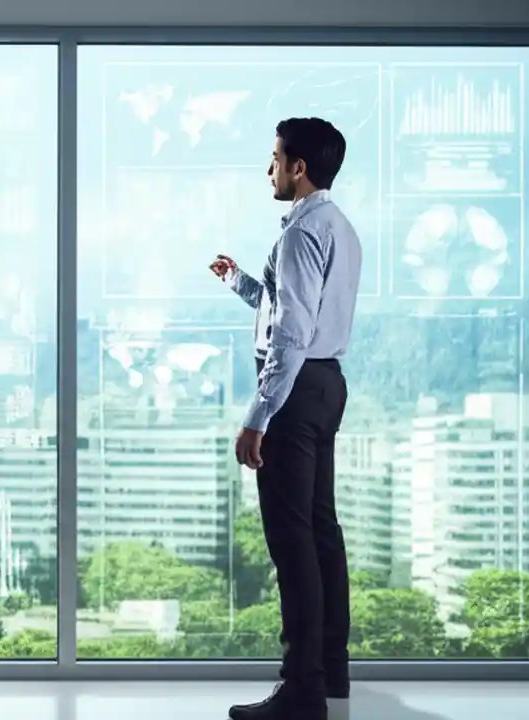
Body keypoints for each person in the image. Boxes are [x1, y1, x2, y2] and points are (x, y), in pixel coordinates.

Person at [209, 117, 362, 720]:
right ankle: (331, 673)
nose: (268, 169)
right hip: (327, 386)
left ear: (299, 167)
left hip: (295, 393)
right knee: (321, 532)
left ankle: (301, 690)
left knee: (292, 541)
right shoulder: (339, 228)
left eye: (274, 158)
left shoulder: (301, 234)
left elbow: (291, 333)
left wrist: (257, 416)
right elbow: (295, 312)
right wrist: (245, 283)